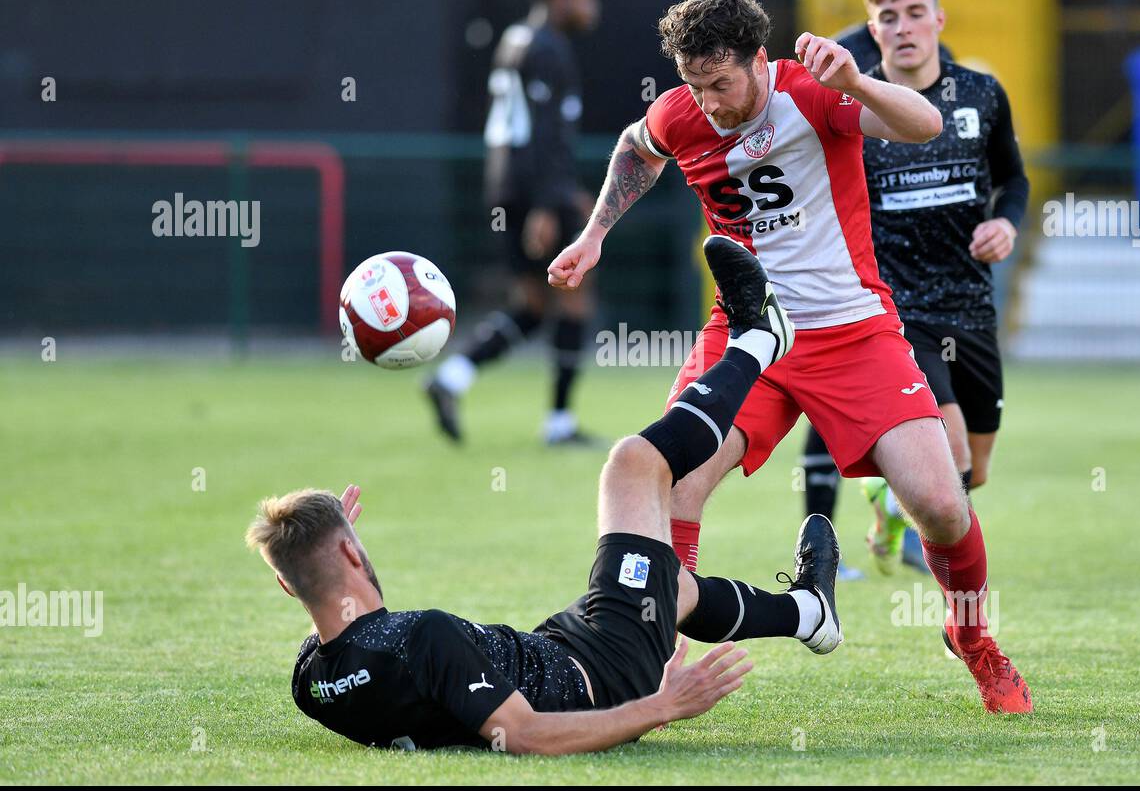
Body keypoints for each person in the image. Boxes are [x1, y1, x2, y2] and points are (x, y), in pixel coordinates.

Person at [547, 0, 1032, 713]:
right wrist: (594, 235)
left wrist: (859, 80)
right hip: (746, 333)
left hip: (852, 330)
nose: (707, 102)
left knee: (940, 503)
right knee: (675, 482)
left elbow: (925, 123)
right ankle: (665, 652)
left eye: (720, 83)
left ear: (757, 61)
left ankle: (974, 638)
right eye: (693, 85)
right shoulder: (684, 112)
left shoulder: (812, 91)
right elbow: (636, 148)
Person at [247, 238, 845, 755]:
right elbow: (526, 735)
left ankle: (810, 613)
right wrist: (665, 707)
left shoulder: (313, 680)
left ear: (285, 585)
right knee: (632, 468)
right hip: (607, 673)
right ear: (351, 558)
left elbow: (369, 642)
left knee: (669, 588)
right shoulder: (422, 638)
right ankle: (759, 341)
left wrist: (324, 549)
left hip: (559, 645)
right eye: (354, 547)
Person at [805, 0, 1030, 578]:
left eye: (913, 13)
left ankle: (890, 500)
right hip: (897, 311)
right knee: (951, 452)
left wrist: (1006, 223)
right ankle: (960, 600)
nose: (903, 28)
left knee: (975, 470)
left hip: (972, 306)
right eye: (888, 18)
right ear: (871, 31)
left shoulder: (982, 94)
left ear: (938, 20)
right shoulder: (851, 108)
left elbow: (1014, 179)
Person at [427, 0, 601, 446]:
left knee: (531, 304)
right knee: (576, 296)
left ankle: (451, 378)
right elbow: (546, 134)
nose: (592, 6)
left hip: (504, 186)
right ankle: (560, 423)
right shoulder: (548, 48)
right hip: (532, 191)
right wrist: (551, 203)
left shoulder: (513, 41)